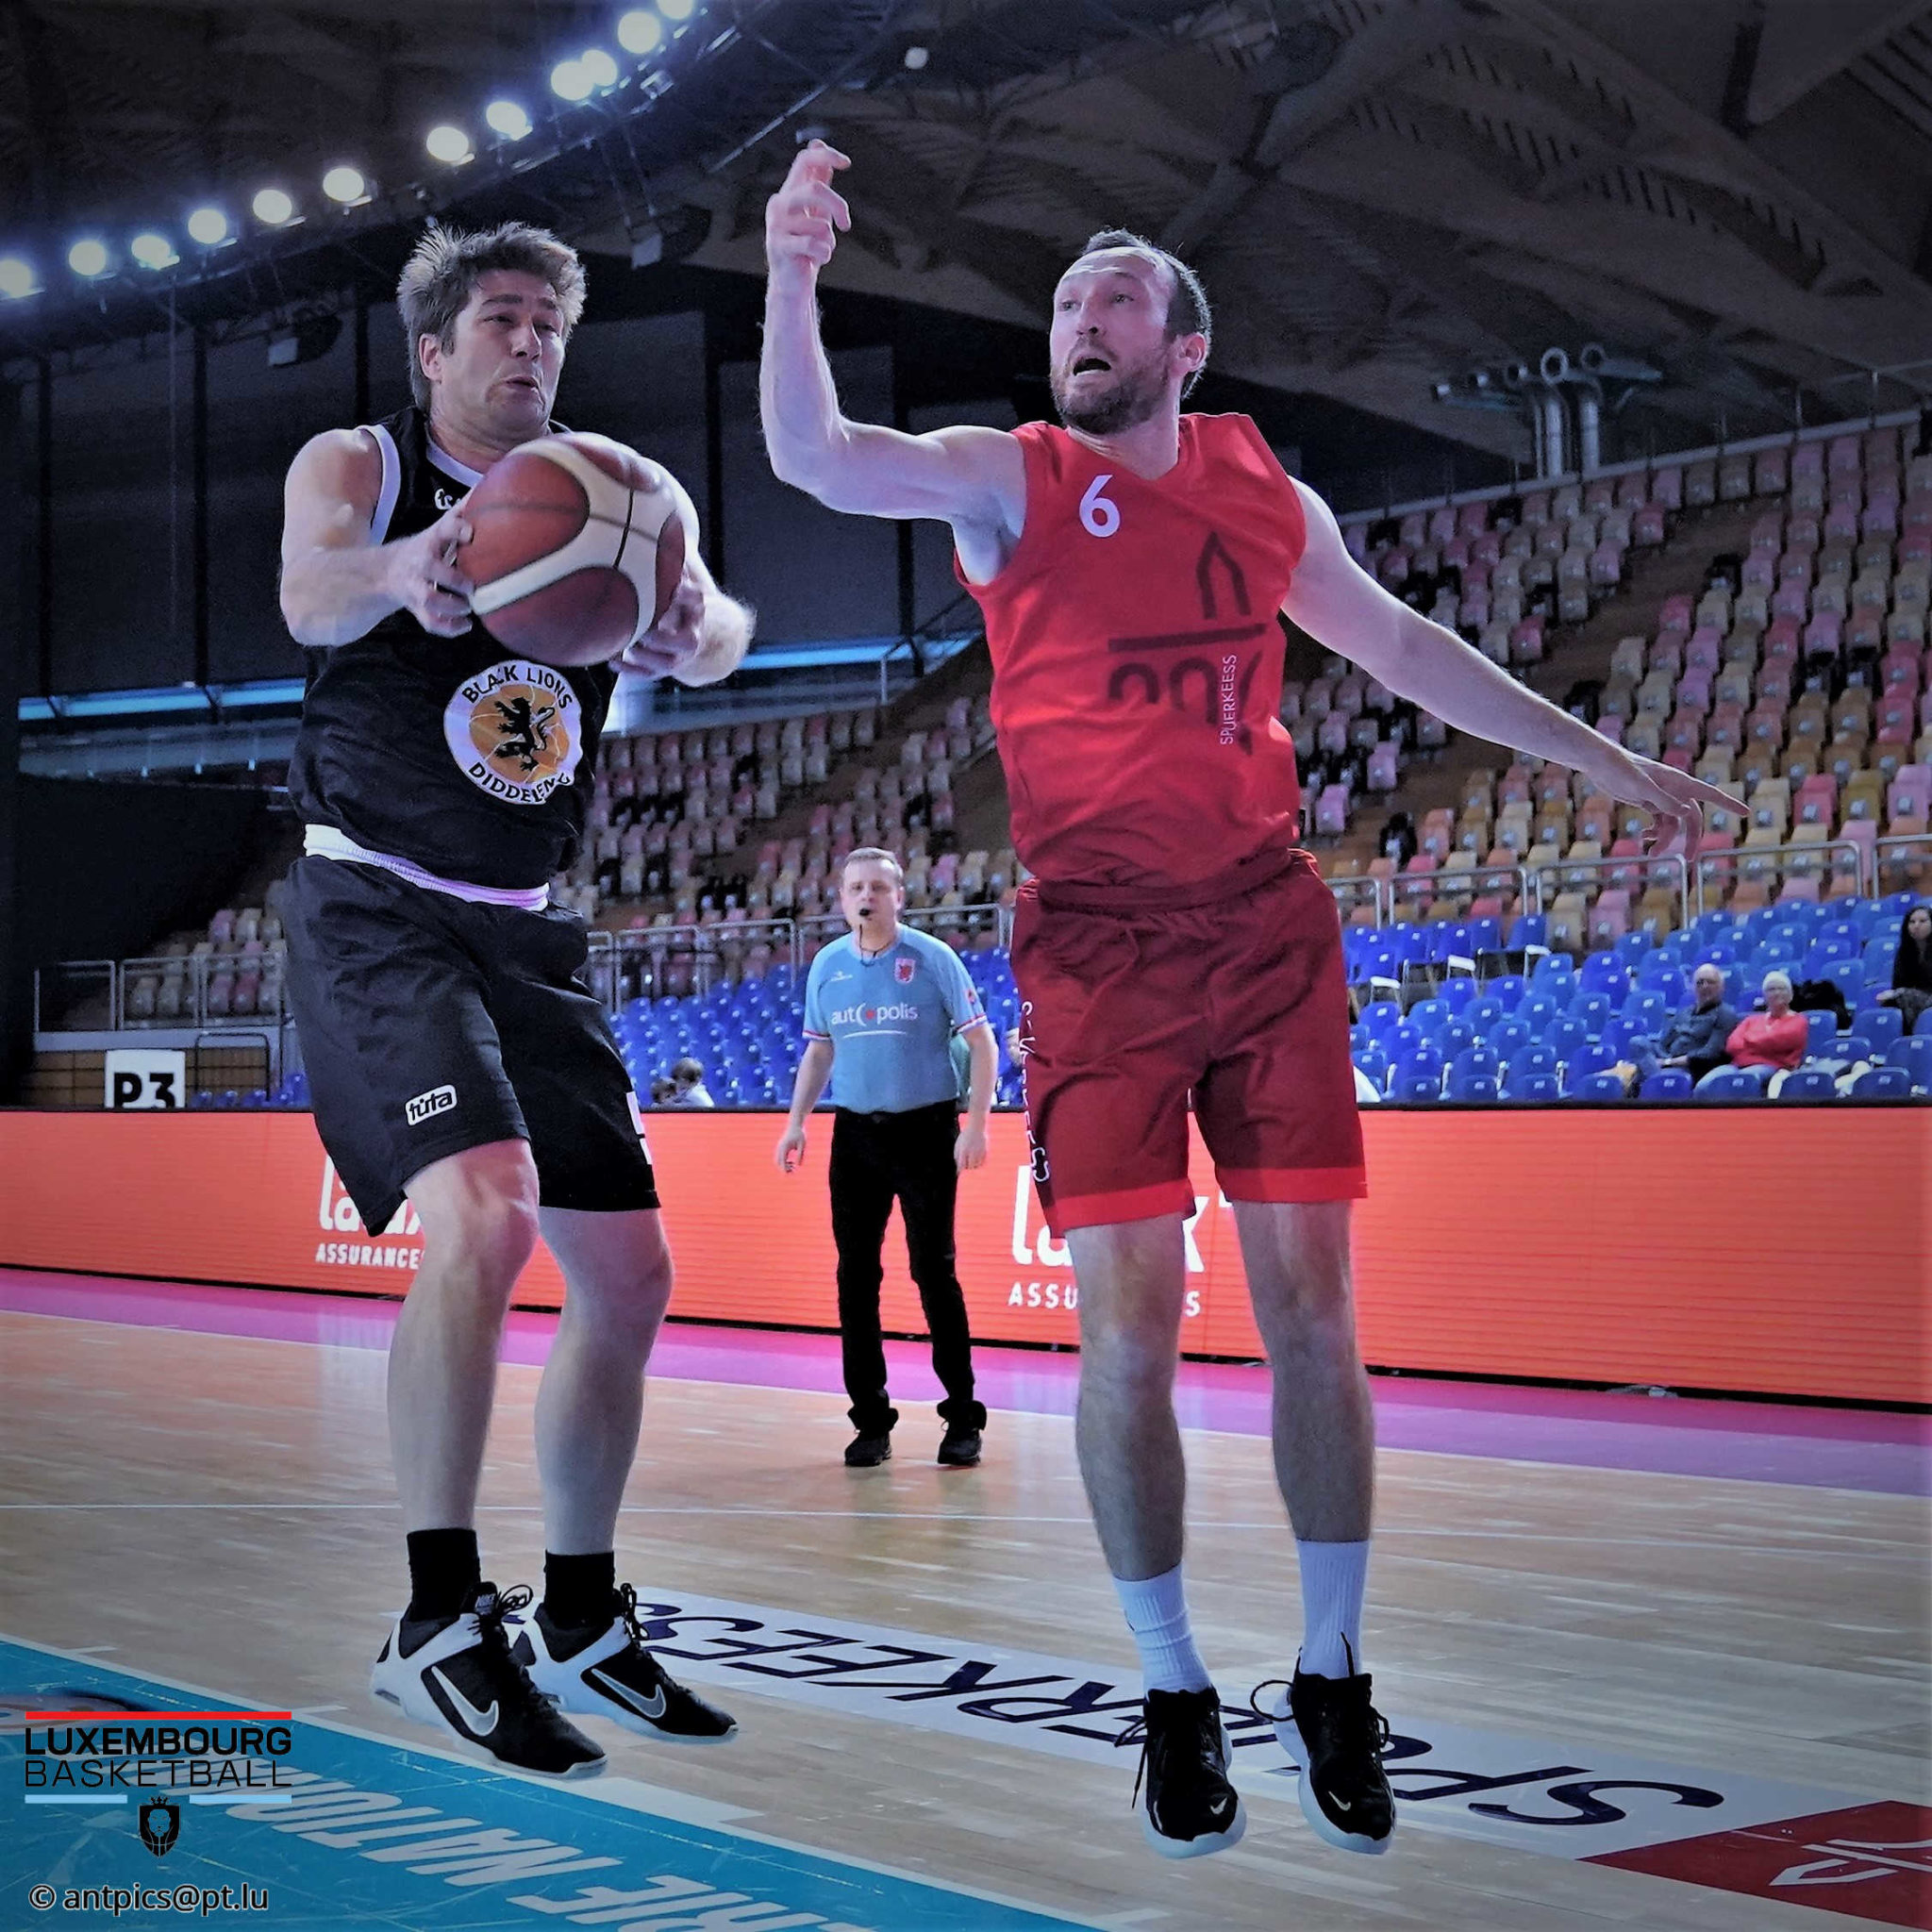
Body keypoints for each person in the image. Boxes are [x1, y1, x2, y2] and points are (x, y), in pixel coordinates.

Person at [759, 140, 1728, 1859]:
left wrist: (1608, 758)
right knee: (1125, 1329)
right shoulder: (1012, 476)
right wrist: (789, 271)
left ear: (1181, 344)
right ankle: (1168, 1687)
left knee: (1312, 1312)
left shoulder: (1263, 491)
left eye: (1112, 293)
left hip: (1268, 924)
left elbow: (1413, 655)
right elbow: (818, 457)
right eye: (1062, 296)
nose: (1077, 313)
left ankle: (1333, 1673)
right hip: (1098, 945)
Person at [277, 220, 754, 1778]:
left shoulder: (624, 492)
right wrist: (401, 570)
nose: (529, 343)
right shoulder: (358, 461)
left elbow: (729, 628)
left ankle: (580, 1605)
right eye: (497, 318)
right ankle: (431, 1611)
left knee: (629, 1274)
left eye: (547, 320)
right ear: (433, 351)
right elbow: (306, 595)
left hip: (530, 925)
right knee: (482, 1213)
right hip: (377, 901)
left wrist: (696, 631)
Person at [775, 848, 997, 1468]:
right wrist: (796, 1124)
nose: (865, 897)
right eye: (854, 888)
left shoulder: (932, 959)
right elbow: (818, 1053)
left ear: (899, 896)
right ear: (841, 898)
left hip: (926, 1132)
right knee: (856, 1278)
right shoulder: (827, 965)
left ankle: (962, 1418)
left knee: (934, 1272)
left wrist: (974, 1125)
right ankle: (870, 1420)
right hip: (856, 1138)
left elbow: (981, 1044)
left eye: (877, 887)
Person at [1624, 962, 1737, 1090]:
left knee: (1641, 1073)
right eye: (1700, 982)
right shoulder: (1684, 1013)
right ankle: (1658, 1080)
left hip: (1693, 1068)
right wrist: (1660, 1061)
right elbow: (1663, 1045)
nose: (1705, 986)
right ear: (1693, 987)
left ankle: (1656, 1083)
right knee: (1638, 1042)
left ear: (1721, 987)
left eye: (1710, 982)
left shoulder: (1726, 1014)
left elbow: (1710, 1053)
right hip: (1667, 1061)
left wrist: (1669, 1062)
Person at [1700, 971, 1808, 1090]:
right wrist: (1761, 1044)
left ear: (1790, 995)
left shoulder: (1798, 1020)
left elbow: (1780, 1041)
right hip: (1737, 1065)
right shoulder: (1751, 1020)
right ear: (1764, 996)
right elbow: (1732, 1045)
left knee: (1741, 1081)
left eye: (1782, 989)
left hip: (1773, 1066)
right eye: (1771, 989)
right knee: (1705, 1084)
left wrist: (1749, 1040)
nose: (1777, 993)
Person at [1874, 905, 1932, 1033]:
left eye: (1923, 921)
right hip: (1909, 999)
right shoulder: (1903, 952)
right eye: (1912, 922)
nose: (1916, 925)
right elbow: (1897, 984)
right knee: (1889, 1003)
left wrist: (1902, 993)